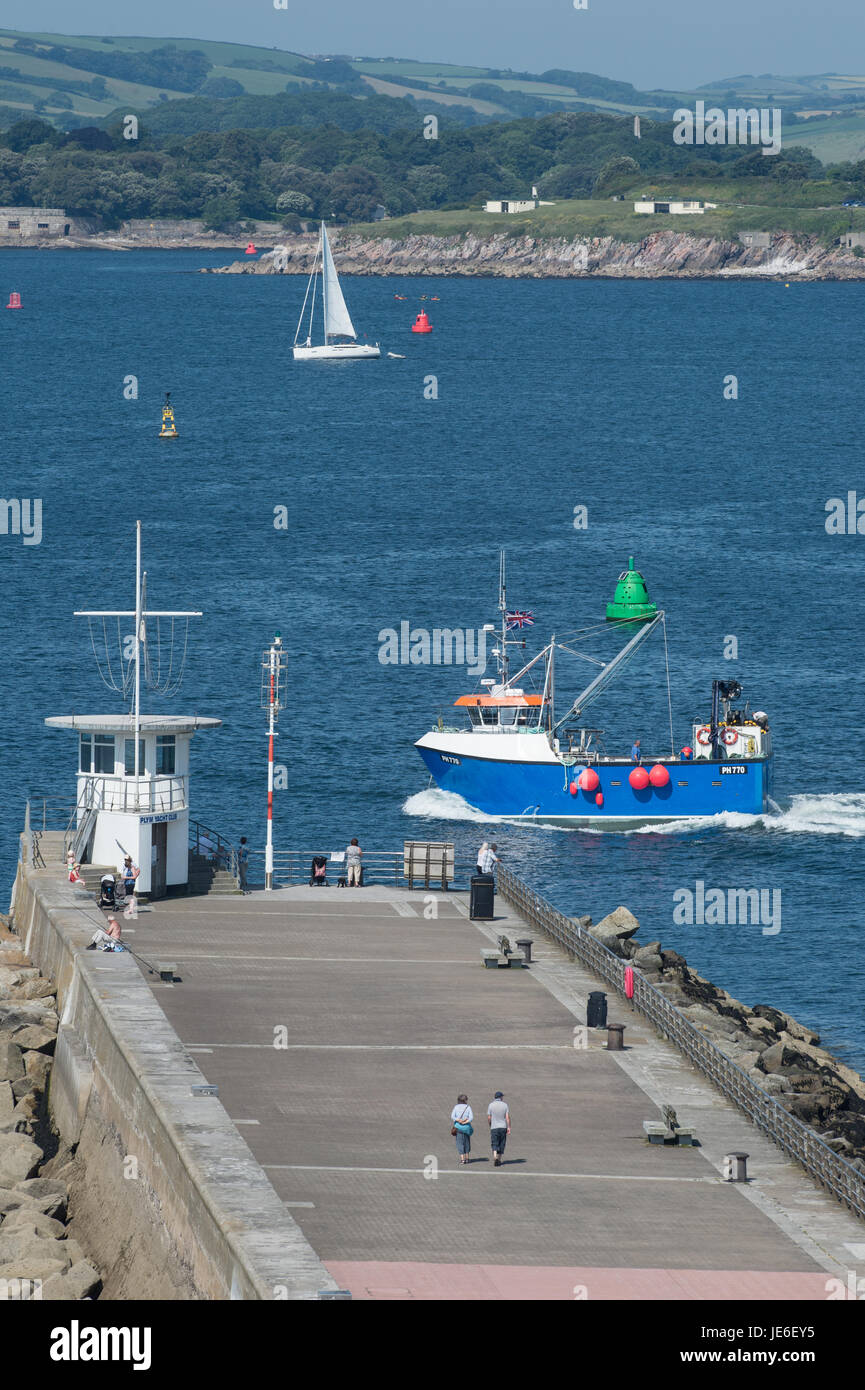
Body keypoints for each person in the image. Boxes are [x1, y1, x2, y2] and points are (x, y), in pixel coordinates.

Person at [487, 1091, 511, 1166]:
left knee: (494, 1142)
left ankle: (495, 1157)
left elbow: (489, 1117)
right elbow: (507, 1117)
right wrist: (509, 1127)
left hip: (494, 1127)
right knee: (502, 1143)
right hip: (503, 1126)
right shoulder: (505, 1105)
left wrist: (490, 1124)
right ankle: (499, 1159)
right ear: (500, 1097)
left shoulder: (491, 1105)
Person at [451, 1093, 474, 1166]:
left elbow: (452, 1116)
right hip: (466, 1128)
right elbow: (471, 1118)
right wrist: (465, 1121)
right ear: (465, 1100)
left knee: (460, 1143)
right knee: (467, 1143)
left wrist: (459, 1120)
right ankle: (467, 1158)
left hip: (458, 1127)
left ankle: (462, 1159)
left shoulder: (456, 1107)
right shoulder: (468, 1107)